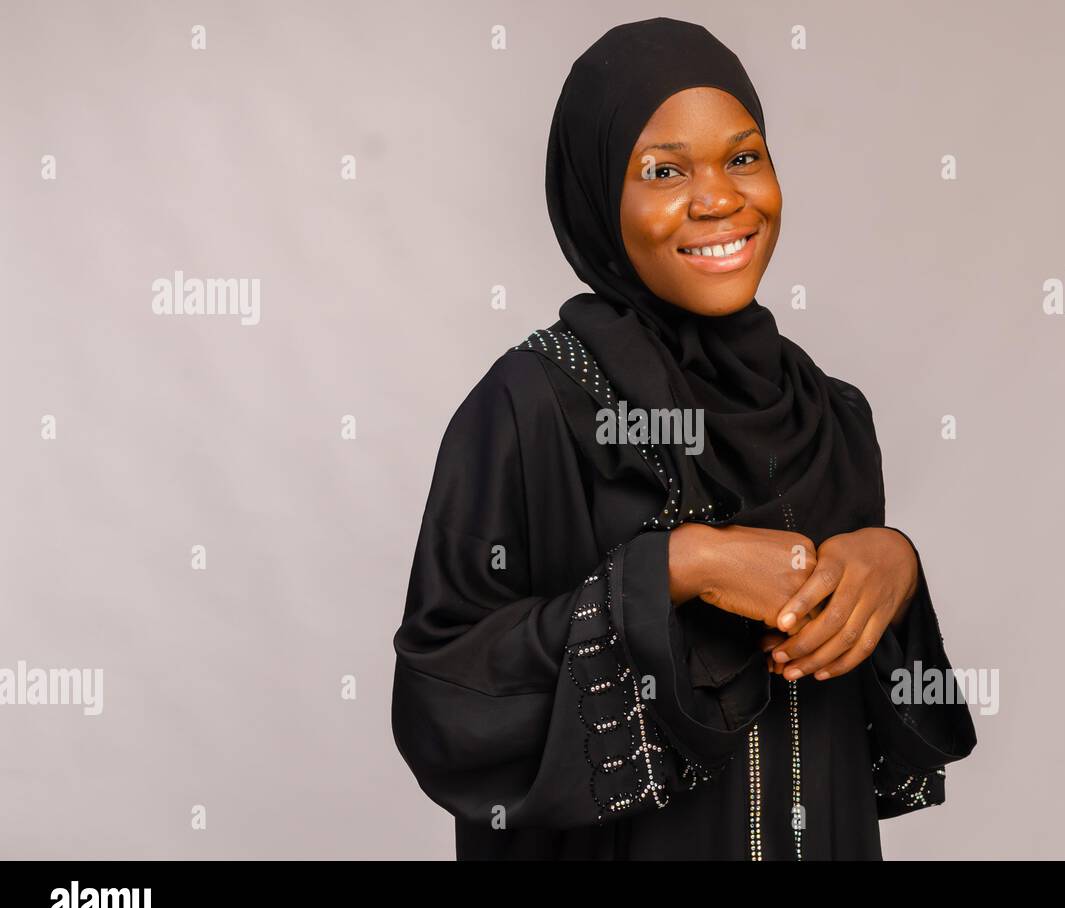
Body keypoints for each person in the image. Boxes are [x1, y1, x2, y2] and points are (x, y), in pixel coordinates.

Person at [390, 16, 976, 860]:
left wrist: (892, 567)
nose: (719, 198)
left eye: (744, 157)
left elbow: (852, 726)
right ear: (599, 194)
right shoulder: (531, 406)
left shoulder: (831, 414)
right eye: (664, 170)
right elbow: (443, 694)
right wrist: (677, 568)